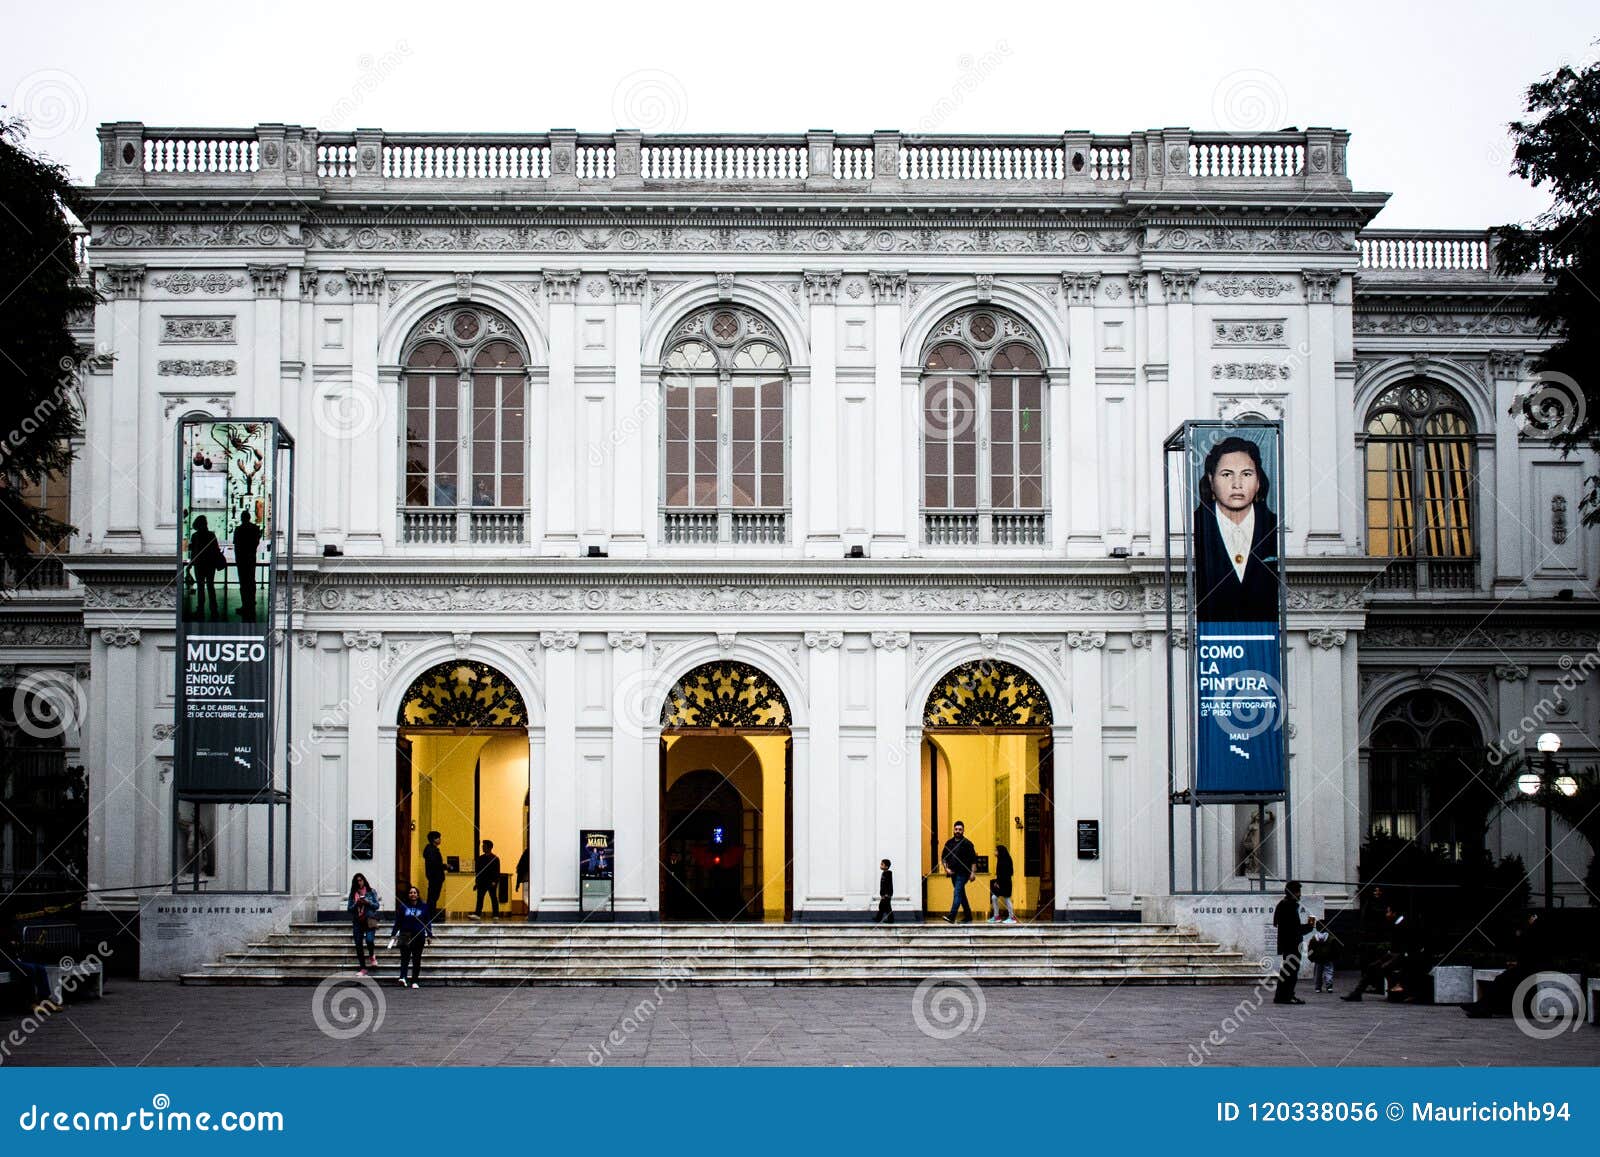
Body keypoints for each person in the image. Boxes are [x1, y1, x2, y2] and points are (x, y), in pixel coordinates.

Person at [1192, 435, 1281, 624]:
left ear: (1258, 481)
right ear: (1211, 480)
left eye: (1246, 474)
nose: (1237, 484)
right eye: (1227, 474)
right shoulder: (1196, 526)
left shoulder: (1275, 526)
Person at [1463, 912, 1551, 1018]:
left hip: (1533, 968)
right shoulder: (1532, 933)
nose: (1530, 920)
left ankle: (1485, 1007)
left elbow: (1534, 953)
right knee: (1502, 978)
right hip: (1528, 966)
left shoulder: (1538, 933)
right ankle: (1483, 1006)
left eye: (1533, 918)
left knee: (1503, 979)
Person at [1342, 904, 1409, 1002]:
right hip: (1393, 953)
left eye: (1388, 911)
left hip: (1402, 954)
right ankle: (1357, 993)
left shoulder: (1402, 924)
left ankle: (1395, 991)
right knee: (1372, 966)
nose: (1387, 914)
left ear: (1394, 913)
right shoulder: (1394, 923)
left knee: (1385, 967)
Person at [1, 916, 58, 1013]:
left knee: (40, 968)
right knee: (29, 969)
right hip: (3, 961)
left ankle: (44, 998)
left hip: (13, 959)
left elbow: (19, 945)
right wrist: (11, 944)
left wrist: (17, 944)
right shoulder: (3, 931)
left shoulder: (11, 930)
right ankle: (30, 1002)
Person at [1272, 880, 1314, 1004]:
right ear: (1293, 893)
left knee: (1286, 971)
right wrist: (1309, 927)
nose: (1300, 894)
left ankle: (1281, 996)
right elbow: (1294, 929)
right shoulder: (1289, 906)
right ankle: (1287, 996)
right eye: (1298, 892)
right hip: (1292, 944)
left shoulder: (1283, 904)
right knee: (1291, 972)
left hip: (1287, 944)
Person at [388, 884, 433, 989]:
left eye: (414, 892)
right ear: (408, 895)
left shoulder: (424, 907)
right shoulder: (403, 907)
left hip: (419, 936)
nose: (413, 894)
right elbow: (398, 922)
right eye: (411, 893)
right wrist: (393, 934)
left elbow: (427, 921)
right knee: (405, 958)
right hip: (405, 935)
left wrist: (429, 935)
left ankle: (415, 981)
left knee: (416, 959)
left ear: (418, 895)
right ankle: (403, 978)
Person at [186, 515, 226, 622]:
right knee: (210, 586)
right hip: (210, 565)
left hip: (199, 565)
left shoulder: (195, 536)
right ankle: (214, 610)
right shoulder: (211, 535)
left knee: (200, 587)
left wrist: (189, 566)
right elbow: (216, 550)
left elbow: (194, 553)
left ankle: (200, 609)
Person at [940, 820, 978, 924]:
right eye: (956, 829)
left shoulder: (968, 843)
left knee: (957, 893)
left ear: (963, 830)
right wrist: (946, 868)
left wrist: (973, 873)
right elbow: (943, 858)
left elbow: (974, 860)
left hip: (964, 873)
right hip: (952, 873)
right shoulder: (949, 843)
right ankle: (968, 915)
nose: (958, 831)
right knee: (961, 894)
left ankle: (952, 916)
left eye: (960, 830)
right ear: (953, 830)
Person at [346, 873, 381, 974]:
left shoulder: (371, 891)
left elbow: (377, 905)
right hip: (358, 921)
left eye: (361, 880)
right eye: (357, 881)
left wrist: (367, 902)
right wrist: (356, 904)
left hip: (370, 919)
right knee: (358, 943)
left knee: (370, 940)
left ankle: (371, 955)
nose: (359, 882)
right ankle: (363, 967)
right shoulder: (353, 894)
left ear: (364, 880)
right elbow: (349, 909)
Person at [232, 511, 263, 623]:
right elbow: (256, 543)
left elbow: (236, 545)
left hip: (242, 558)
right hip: (251, 557)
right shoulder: (255, 529)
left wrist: (237, 558)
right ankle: (251, 601)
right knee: (251, 580)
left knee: (243, 582)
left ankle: (245, 604)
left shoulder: (239, 530)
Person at [1306, 917, 1340, 993]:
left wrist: (1311, 957)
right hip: (1328, 958)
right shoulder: (1331, 938)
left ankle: (1318, 987)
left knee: (1318, 973)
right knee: (1329, 972)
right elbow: (1335, 949)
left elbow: (1310, 949)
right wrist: (1335, 957)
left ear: (1317, 928)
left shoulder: (1314, 938)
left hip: (1318, 958)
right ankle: (1329, 987)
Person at [471, 839, 501, 919]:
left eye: (484, 846)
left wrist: (495, 881)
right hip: (482, 881)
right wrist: (476, 883)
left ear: (489, 847)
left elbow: (497, 871)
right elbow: (478, 872)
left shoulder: (495, 859)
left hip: (491, 882)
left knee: (493, 898)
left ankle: (496, 914)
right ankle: (478, 913)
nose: (482, 848)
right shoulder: (480, 858)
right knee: (480, 898)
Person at [989, 844, 1017, 924]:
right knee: (994, 897)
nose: (994, 852)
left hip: (1005, 883)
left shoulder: (1005, 861)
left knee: (1007, 899)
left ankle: (1012, 917)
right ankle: (996, 916)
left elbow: (1004, 874)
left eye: (996, 850)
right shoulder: (1001, 859)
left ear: (1000, 852)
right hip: (1002, 882)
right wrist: (997, 881)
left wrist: (998, 882)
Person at [421, 831, 446, 920]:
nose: (440, 839)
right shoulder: (432, 851)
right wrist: (445, 866)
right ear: (433, 839)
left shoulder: (431, 850)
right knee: (433, 896)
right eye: (438, 838)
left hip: (434, 876)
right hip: (435, 876)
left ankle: (431, 914)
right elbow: (435, 864)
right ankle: (431, 915)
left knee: (433, 896)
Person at [872, 858, 894, 924]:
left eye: (882, 864)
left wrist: (886, 894)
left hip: (887, 894)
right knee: (883, 907)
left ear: (886, 867)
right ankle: (879, 918)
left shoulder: (888, 874)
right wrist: (882, 894)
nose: (880, 866)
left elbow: (888, 885)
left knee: (886, 907)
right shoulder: (884, 873)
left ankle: (889, 919)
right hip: (884, 894)